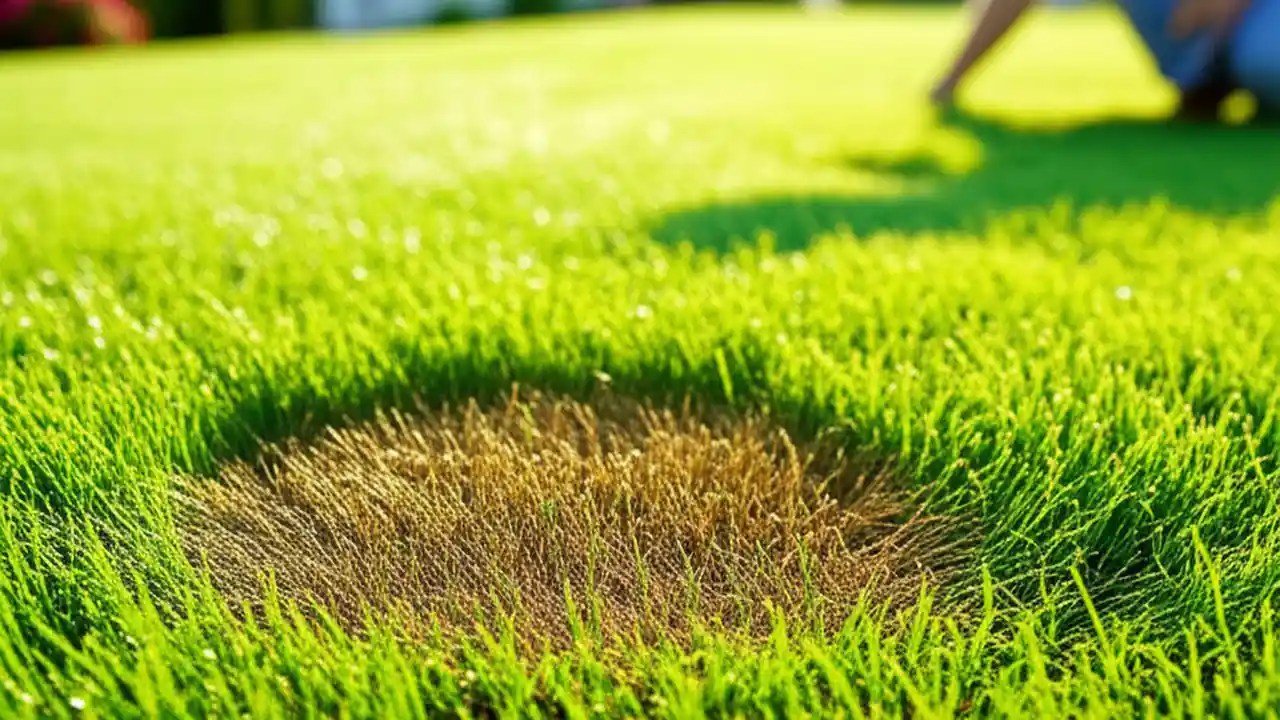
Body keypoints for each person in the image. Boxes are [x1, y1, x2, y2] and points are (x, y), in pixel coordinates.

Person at [932, 0, 1280, 120]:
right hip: (1187, 43)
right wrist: (949, 83)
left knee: (1266, 61)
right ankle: (1205, 84)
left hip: (1260, 19)